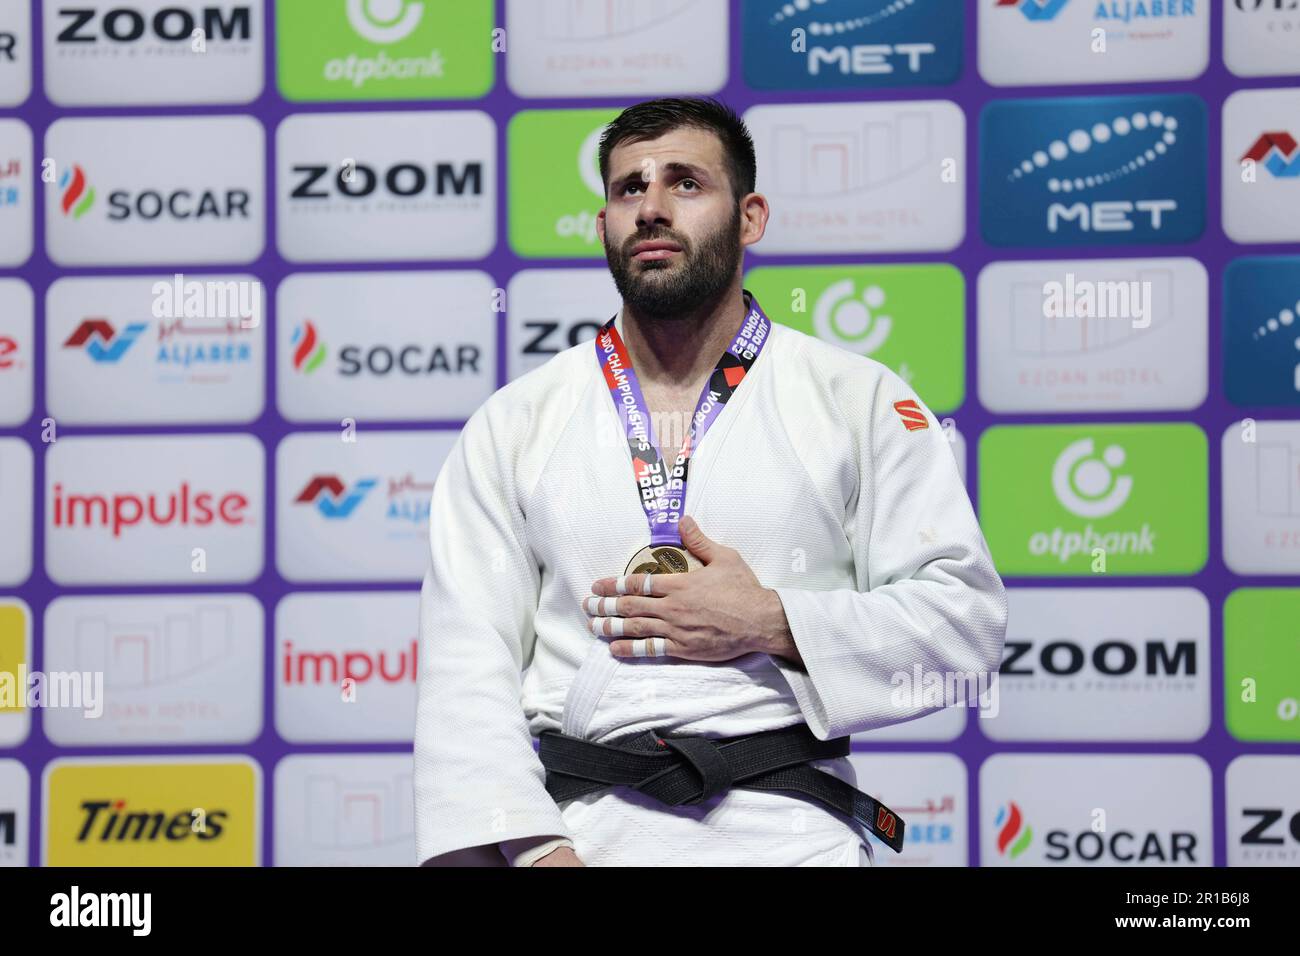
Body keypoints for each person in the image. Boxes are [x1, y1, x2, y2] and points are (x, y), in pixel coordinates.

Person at [413, 97, 1007, 867]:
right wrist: (536, 851)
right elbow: (467, 667)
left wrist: (771, 619)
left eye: (686, 183)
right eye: (630, 189)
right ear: (602, 225)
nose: (652, 208)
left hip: (793, 837)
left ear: (750, 217)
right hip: (583, 839)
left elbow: (964, 625)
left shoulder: (854, 399)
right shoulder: (516, 422)